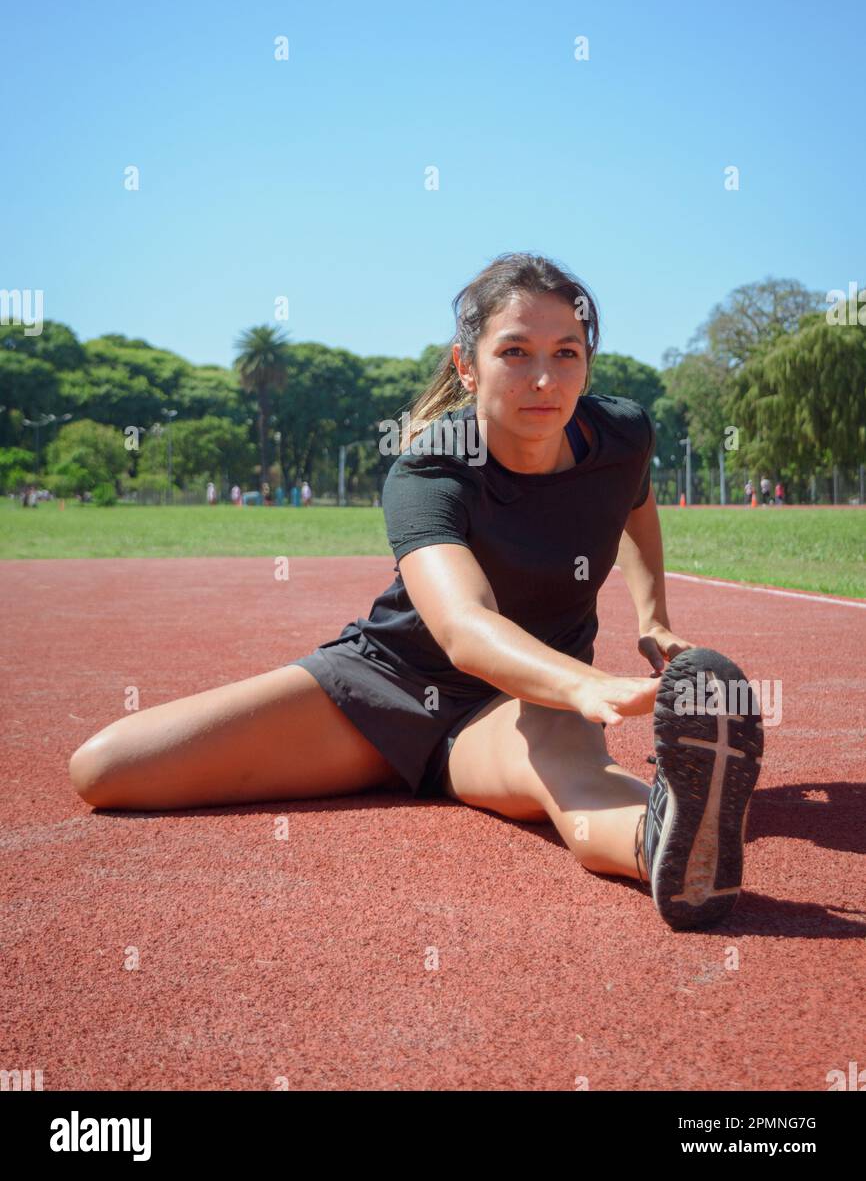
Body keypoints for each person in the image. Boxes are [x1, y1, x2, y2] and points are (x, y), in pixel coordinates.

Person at [68, 251, 760, 928]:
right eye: (515, 352)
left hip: (525, 700)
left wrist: (654, 617)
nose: (544, 379)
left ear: (587, 362)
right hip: (385, 687)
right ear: (467, 366)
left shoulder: (622, 435)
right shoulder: (429, 470)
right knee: (106, 770)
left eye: (566, 353)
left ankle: (668, 844)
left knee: (571, 776)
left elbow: (635, 502)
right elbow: (463, 626)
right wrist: (587, 687)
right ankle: (383, 765)